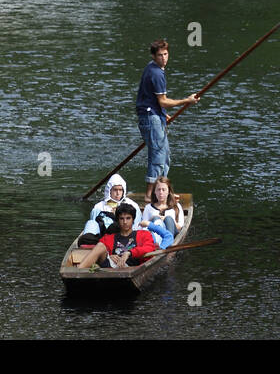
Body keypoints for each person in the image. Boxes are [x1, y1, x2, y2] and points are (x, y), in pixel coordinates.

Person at [135, 39, 199, 199]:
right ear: (153, 56)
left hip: (153, 115)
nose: (164, 58)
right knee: (157, 156)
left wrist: (162, 114)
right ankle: (150, 196)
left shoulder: (152, 69)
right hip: (150, 118)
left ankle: (164, 192)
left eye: (166, 54)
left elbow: (151, 98)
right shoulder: (156, 73)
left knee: (165, 155)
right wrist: (187, 101)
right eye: (160, 55)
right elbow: (163, 101)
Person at [76, 203, 161, 270]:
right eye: (121, 218)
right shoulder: (109, 238)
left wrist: (129, 253)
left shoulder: (143, 234)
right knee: (100, 246)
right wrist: (109, 256)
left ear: (133, 219)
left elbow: (149, 248)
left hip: (133, 268)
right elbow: (98, 252)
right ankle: (78, 272)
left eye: (128, 218)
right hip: (111, 268)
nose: (125, 222)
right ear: (118, 220)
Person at [78, 174, 139, 244]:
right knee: (91, 223)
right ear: (109, 190)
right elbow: (95, 224)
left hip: (125, 236)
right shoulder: (99, 207)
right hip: (102, 236)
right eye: (115, 190)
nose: (118, 193)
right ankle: (89, 243)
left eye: (120, 190)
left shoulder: (132, 205)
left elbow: (136, 225)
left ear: (123, 191)